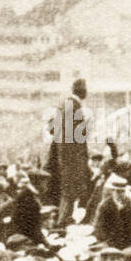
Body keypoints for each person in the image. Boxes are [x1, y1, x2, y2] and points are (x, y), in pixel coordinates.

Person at [46, 77, 92, 227]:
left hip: (64, 158)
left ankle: (62, 221)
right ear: (83, 91)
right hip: (71, 160)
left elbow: (52, 128)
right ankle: (62, 223)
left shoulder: (64, 105)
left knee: (68, 193)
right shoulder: (74, 106)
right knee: (70, 193)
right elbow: (78, 140)